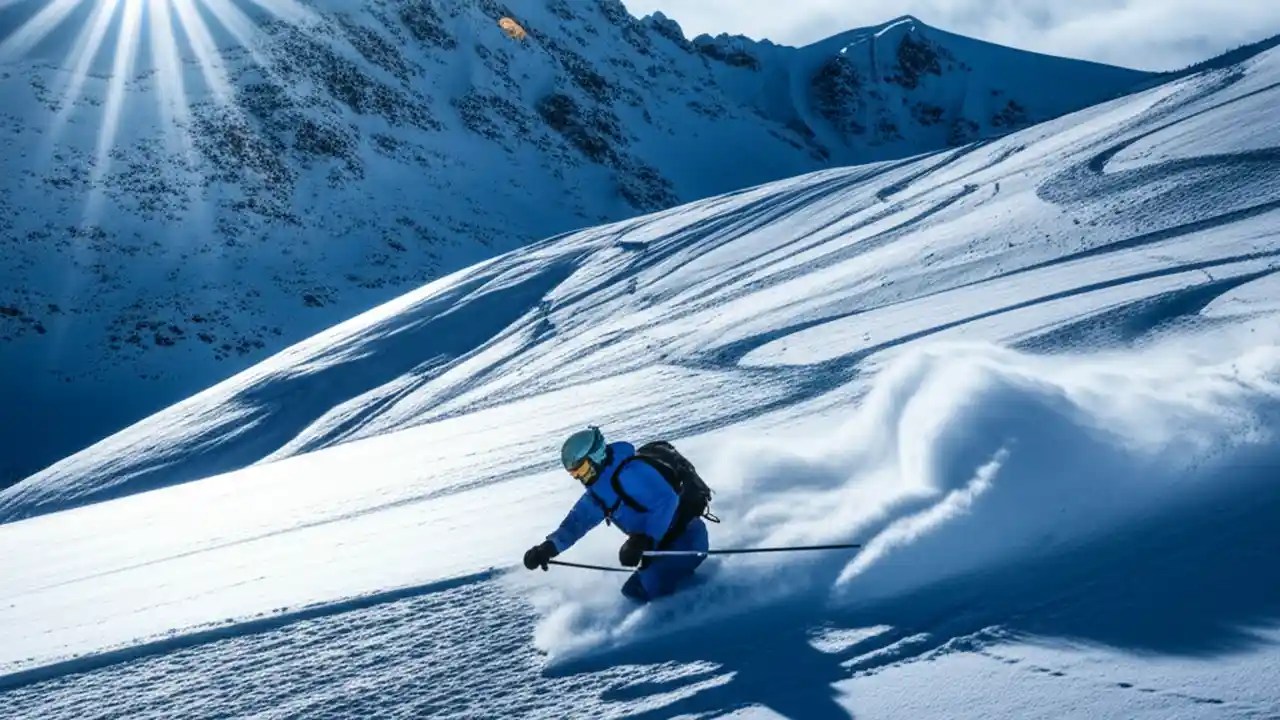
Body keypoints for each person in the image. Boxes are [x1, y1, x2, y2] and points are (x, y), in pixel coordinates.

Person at [523, 426, 712, 603]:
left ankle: (701, 614)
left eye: (581, 469)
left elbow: (667, 500)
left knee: (650, 591)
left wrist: (645, 539)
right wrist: (548, 548)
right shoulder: (599, 491)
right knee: (633, 591)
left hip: (686, 540)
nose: (580, 477)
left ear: (596, 457)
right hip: (659, 548)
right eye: (574, 473)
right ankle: (700, 594)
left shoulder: (631, 473)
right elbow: (577, 522)